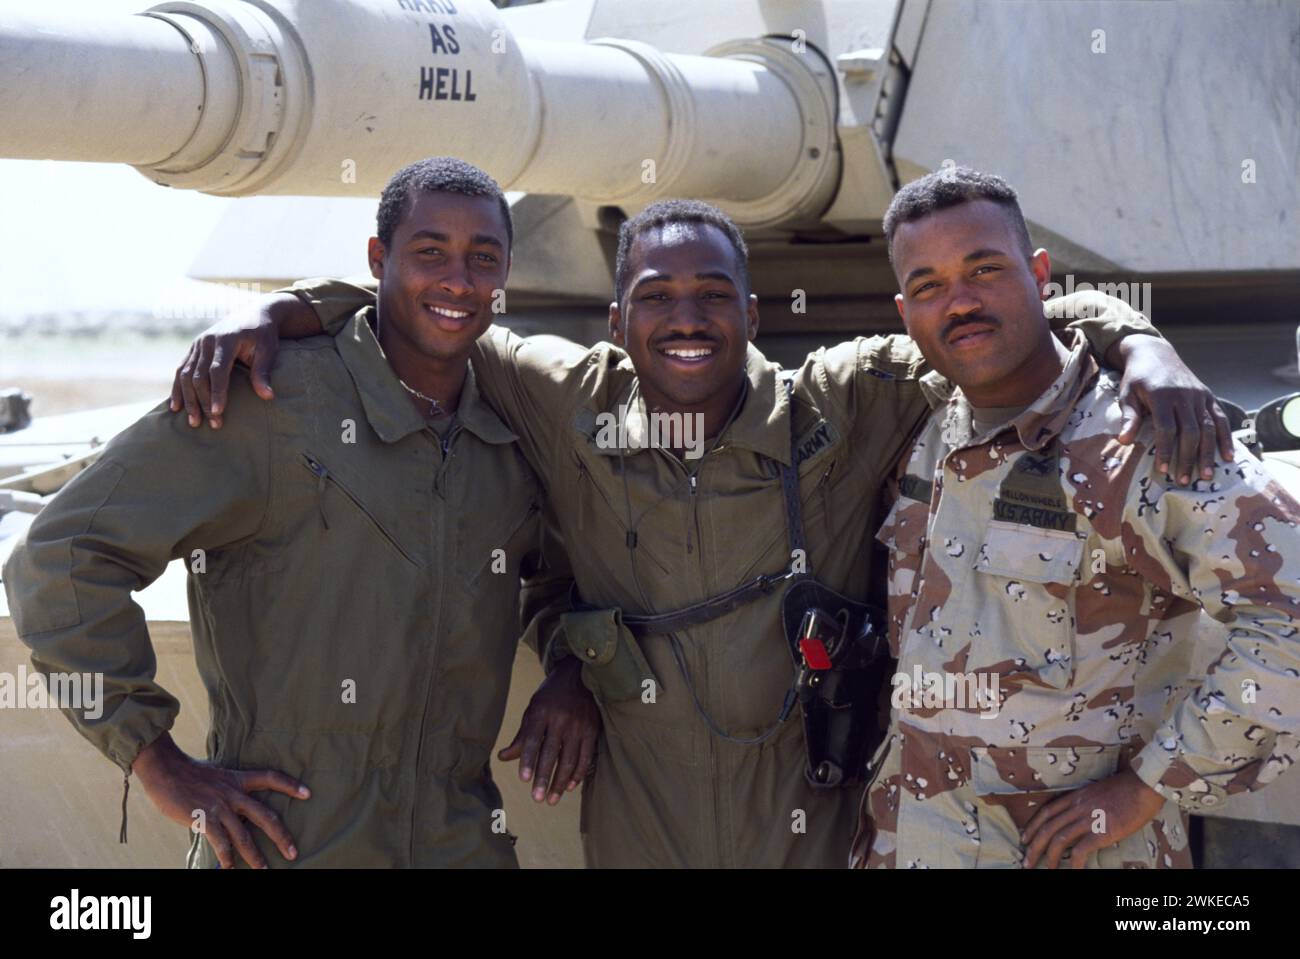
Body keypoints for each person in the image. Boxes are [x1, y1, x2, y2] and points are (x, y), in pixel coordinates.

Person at [174, 193, 1227, 867]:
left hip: (813, 806)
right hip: (644, 814)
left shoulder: (844, 399)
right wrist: (272, 312)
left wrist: (1142, 349)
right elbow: (428, 306)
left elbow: (995, 320)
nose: (686, 316)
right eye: (655, 295)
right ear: (617, 317)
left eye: (713, 294)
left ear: (753, 314)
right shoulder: (558, 392)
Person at [2, 157, 598, 869]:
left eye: (483, 258)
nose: (458, 280)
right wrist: (159, 764)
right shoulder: (269, 400)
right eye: (429, 252)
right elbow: (60, 558)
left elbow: (567, 577)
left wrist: (572, 668)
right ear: (378, 259)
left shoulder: (510, 428)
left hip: (460, 845)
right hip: (282, 850)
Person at [850, 166, 1300, 869]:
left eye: (984, 269)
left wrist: (1152, 784)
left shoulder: (1143, 436)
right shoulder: (924, 421)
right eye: (930, 285)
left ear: (1039, 275)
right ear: (905, 312)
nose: (960, 301)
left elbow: (1291, 608)